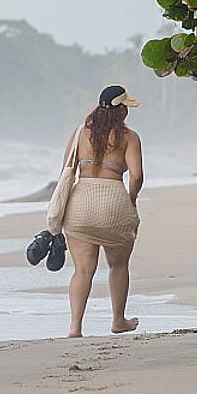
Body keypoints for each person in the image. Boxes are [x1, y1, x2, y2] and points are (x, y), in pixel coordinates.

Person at [59, 85, 144, 338]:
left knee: (83, 270)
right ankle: (118, 320)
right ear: (119, 110)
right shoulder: (129, 137)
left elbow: (66, 170)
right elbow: (137, 176)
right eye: (125, 106)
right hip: (114, 202)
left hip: (81, 205)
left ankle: (75, 327)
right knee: (118, 265)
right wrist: (131, 198)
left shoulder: (79, 134)